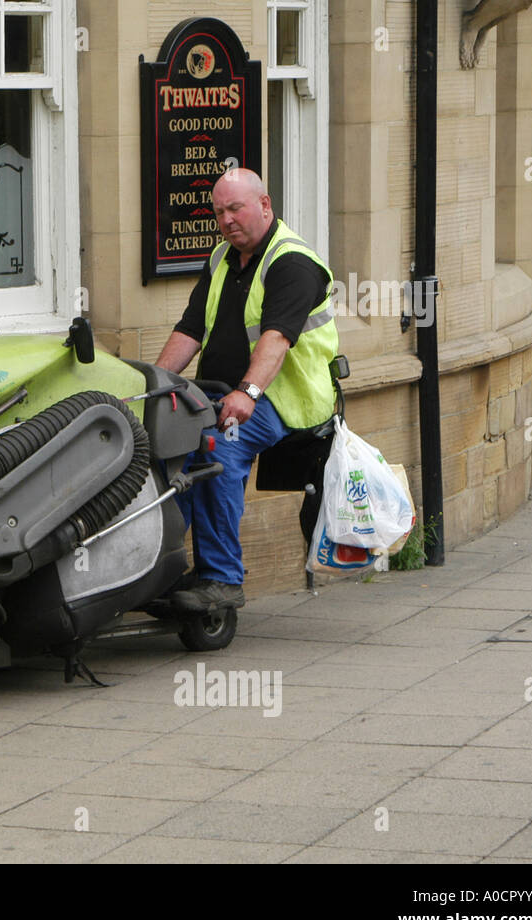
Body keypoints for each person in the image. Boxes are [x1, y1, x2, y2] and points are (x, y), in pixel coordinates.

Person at [154, 168, 338, 612]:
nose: (227, 219)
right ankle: (167, 568)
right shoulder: (221, 257)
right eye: (219, 211)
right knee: (166, 446)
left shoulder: (291, 263)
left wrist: (248, 393)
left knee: (218, 450)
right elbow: (190, 328)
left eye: (235, 208)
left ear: (264, 205)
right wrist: (153, 384)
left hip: (284, 398)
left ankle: (222, 579)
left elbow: (276, 338)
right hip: (219, 391)